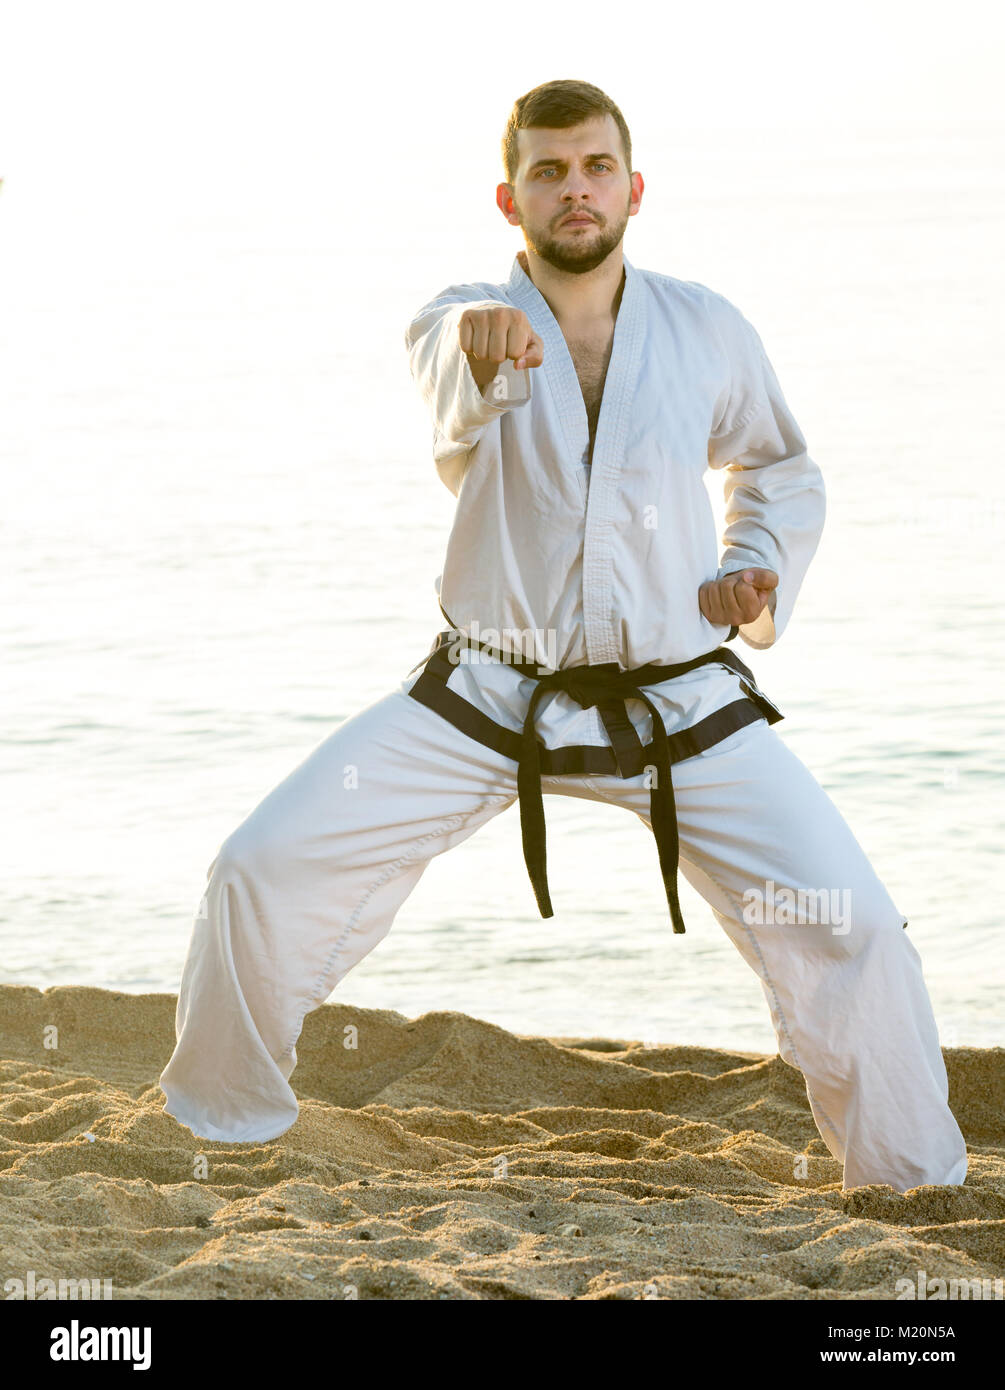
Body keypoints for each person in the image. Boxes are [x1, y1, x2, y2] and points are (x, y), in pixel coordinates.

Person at [159, 79, 968, 1193]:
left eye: (595, 168)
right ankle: (225, 1123)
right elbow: (449, 374)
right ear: (511, 198)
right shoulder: (462, 316)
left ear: (634, 187)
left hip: (678, 697)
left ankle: (912, 1181)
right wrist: (484, 349)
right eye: (549, 171)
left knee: (857, 927)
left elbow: (776, 465)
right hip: (487, 697)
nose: (574, 190)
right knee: (258, 867)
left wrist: (756, 566)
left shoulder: (705, 329)